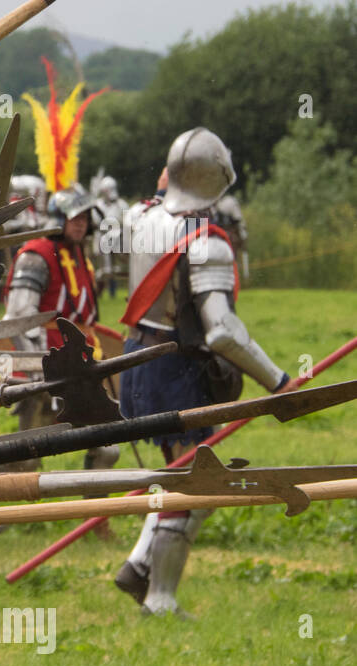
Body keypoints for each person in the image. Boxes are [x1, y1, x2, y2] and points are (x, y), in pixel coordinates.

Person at [115, 128, 291, 616]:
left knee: (179, 475)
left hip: (137, 361)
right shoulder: (207, 243)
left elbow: (153, 201)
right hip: (175, 371)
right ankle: (160, 600)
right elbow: (222, 332)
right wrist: (277, 381)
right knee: (194, 487)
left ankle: (137, 566)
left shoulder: (141, 218)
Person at [0, 184, 120, 474]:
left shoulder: (80, 255)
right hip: (46, 364)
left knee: (107, 447)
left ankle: (97, 517)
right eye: (75, 216)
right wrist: (38, 370)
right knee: (27, 458)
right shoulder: (35, 256)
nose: (82, 223)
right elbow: (17, 318)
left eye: (85, 217)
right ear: (58, 218)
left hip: (83, 366)